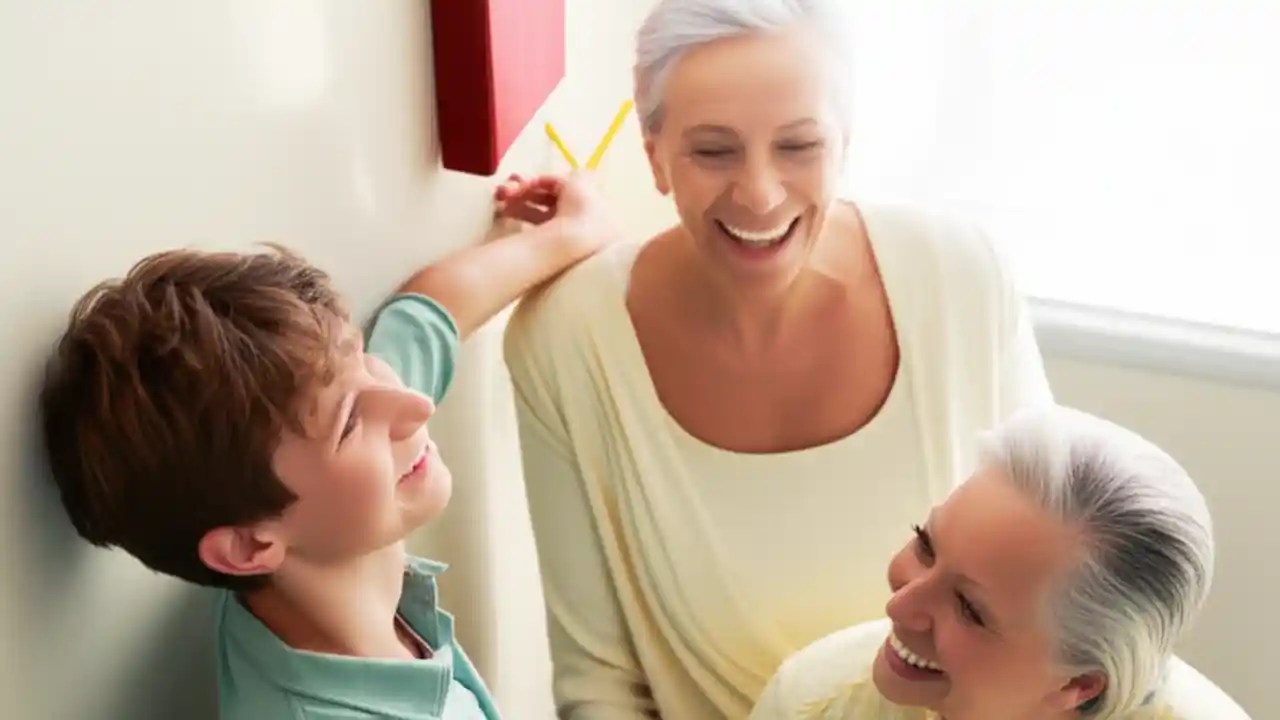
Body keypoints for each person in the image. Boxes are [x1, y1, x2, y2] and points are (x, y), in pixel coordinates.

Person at [501, 0, 1053, 716]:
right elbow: (597, 681)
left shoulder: (959, 277)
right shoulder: (568, 340)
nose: (759, 193)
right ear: (655, 157)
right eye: (714, 150)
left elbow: (1065, 580)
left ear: (843, 144)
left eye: (798, 147)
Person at [38, 172, 614, 720]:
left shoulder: (302, 526)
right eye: (350, 424)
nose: (414, 406)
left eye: (360, 355)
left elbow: (427, 312)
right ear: (247, 546)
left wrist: (569, 234)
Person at [748, 406, 1248, 720]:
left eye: (970, 609)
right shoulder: (813, 704)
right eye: (926, 545)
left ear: (1079, 685)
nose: (900, 607)